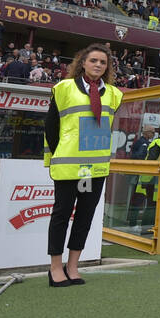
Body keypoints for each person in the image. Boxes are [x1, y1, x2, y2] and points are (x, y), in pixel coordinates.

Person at [43, 42, 123, 286]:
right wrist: (59, 155)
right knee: (61, 215)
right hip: (68, 168)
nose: (98, 65)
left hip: (93, 170)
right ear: (82, 63)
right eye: (93, 61)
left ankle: (73, 265)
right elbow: (51, 127)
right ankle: (55, 267)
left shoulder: (114, 94)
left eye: (103, 62)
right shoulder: (63, 88)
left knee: (84, 217)